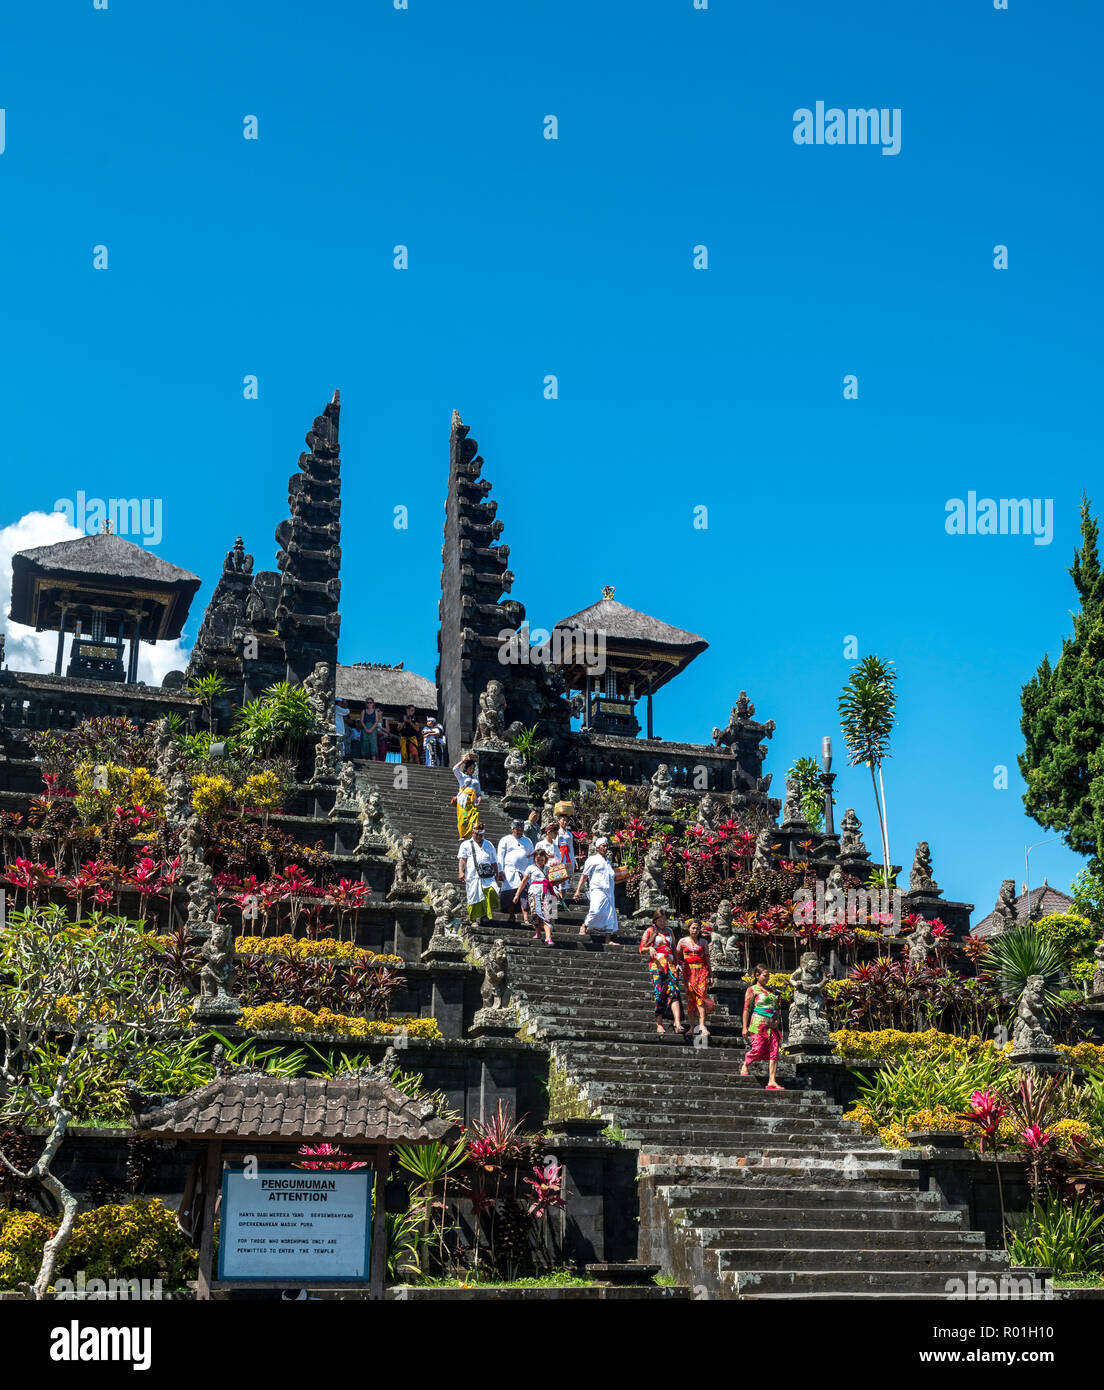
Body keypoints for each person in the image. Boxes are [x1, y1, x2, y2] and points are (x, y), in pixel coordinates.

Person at [640, 909, 685, 1034]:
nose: (662, 922)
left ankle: (677, 1023)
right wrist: (649, 948)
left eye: (664, 920)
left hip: (670, 965)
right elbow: (641, 949)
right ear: (655, 920)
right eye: (660, 920)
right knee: (659, 993)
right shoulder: (650, 931)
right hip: (656, 965)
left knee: (674, 991)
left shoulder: (669, 931)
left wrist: (678, 964)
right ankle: (659, 1024)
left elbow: (674, 950)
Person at [741, 963, 784, 1090]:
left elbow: (776, 1009)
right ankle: (746, 1063)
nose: (767, 978)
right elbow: (746, 1009)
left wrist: (776, 1021)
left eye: (768, 975)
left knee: (774, 1051)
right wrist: (744, 1027)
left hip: (771, 1025)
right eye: (765, 975)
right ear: (757, 975)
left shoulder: (770, 991)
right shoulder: (752, 989)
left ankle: (772, 1080)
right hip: (758, 1023)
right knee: (758, 1048)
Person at [573, 836, 620, 943]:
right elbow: (584, 876)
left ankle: (608, 939)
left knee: (610, 914)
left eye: (606, 846)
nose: (606, 848)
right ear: (598, 848)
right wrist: (577, 890)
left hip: (609, 892)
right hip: (597, 890)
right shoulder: (592, 859)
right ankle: (584, 925)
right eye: (603, 846)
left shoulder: (608, 862)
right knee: (595, 910)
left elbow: (612, 879)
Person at [677, 918, 715, 1038]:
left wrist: (711, 974)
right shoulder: (682, 942)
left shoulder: (703, 942)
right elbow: (676, 956)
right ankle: (692, 1027)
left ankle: (702, 1026)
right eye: (693, 928)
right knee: (690, 999)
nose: (695, 930)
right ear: (688, 928)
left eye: (697, 928)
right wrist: (678, 965)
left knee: (701, 998)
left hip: (701, 972)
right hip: (688, 973)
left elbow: (707, 959)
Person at [457, 822, 503, 921]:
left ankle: (485, 914)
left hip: (488, 876)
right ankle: (473, 919)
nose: (478, 836)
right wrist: (461, 871)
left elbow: (494, 862)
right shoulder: (466, 844)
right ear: (472, 833)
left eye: (480, 835)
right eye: (476, 834)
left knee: (492, 891)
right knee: (474, 897)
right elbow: (462, 860)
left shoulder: (489, 844)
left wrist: (497, 874)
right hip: (473, 876)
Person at [514, 846, 556, 945]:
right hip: (535, 892)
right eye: (538, 859)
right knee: (536, 913)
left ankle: (548, 937)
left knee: (548, 914)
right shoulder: (530, 868)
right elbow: (524, 882)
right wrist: (517, 895)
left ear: (545, 859)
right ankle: (538, 932)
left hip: (547, 892)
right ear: (534, 859)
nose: (540, 861)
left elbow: (554, 881)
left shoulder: (548, 869)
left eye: (542, 859)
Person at [497, 818, 534, 926]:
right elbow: (500, 856)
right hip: (509, 871)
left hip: (524, 872)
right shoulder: (505, 840)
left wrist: (531, 870)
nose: (519, 831)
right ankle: (511, 915)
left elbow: (531, 856)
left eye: (521, 829)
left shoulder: (527, 841)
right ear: (512, 829)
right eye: (517, 829)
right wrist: (500, 870)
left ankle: (526, 918)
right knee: (510, 895)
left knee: (523, 895)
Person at [451, 755, 482, 838]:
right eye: (470, 768)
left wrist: (479, 799)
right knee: (463, 818)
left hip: (473, 801)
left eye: (473, 769)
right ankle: (463, 835)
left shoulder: (476, 779)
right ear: (466, 769)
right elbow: (454, 769)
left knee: (474, 817)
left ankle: (473, 835)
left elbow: (479, 792)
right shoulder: (462, 777)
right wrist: (463, 761)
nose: (472, 770)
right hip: (463, 800)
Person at [554, 814, 577, 882]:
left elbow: (571, 847)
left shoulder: (569, 834)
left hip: (567, 853)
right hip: (560, 852)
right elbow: (555, 844)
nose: (565, 822)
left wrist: (573, 859)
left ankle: (565, 887)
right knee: (559, 872)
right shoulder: (557, 832)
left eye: (566, 821)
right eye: (563, 820)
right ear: (558, 821)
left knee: (567, 873)